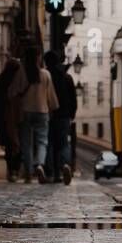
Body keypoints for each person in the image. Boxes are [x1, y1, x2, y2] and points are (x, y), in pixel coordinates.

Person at [9, 49, 59, 184]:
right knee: (42, 141)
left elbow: (12, 92)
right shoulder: (46, 74)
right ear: (38, 58)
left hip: (26, 111)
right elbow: (51, 97)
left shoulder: (21, 72)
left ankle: (29, 174)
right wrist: (52, 108)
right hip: (42, 111)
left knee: (27, 144)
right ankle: (39, 165)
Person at [43, 50, 77, 184]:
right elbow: (73, 99)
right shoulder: (67, 77)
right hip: (64, 116)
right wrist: (71, 114)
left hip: (49, 114)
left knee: (50, 144)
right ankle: (65, 167)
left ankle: (51, 173)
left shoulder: (46, 76)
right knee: (63, 144)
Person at [0, 56, 22, 181]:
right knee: (18, 144)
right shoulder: (19, 82)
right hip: (17, 116)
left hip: (4, 117)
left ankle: (10, 170)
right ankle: (16, 170)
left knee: (9, 145)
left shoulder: (0, 80)